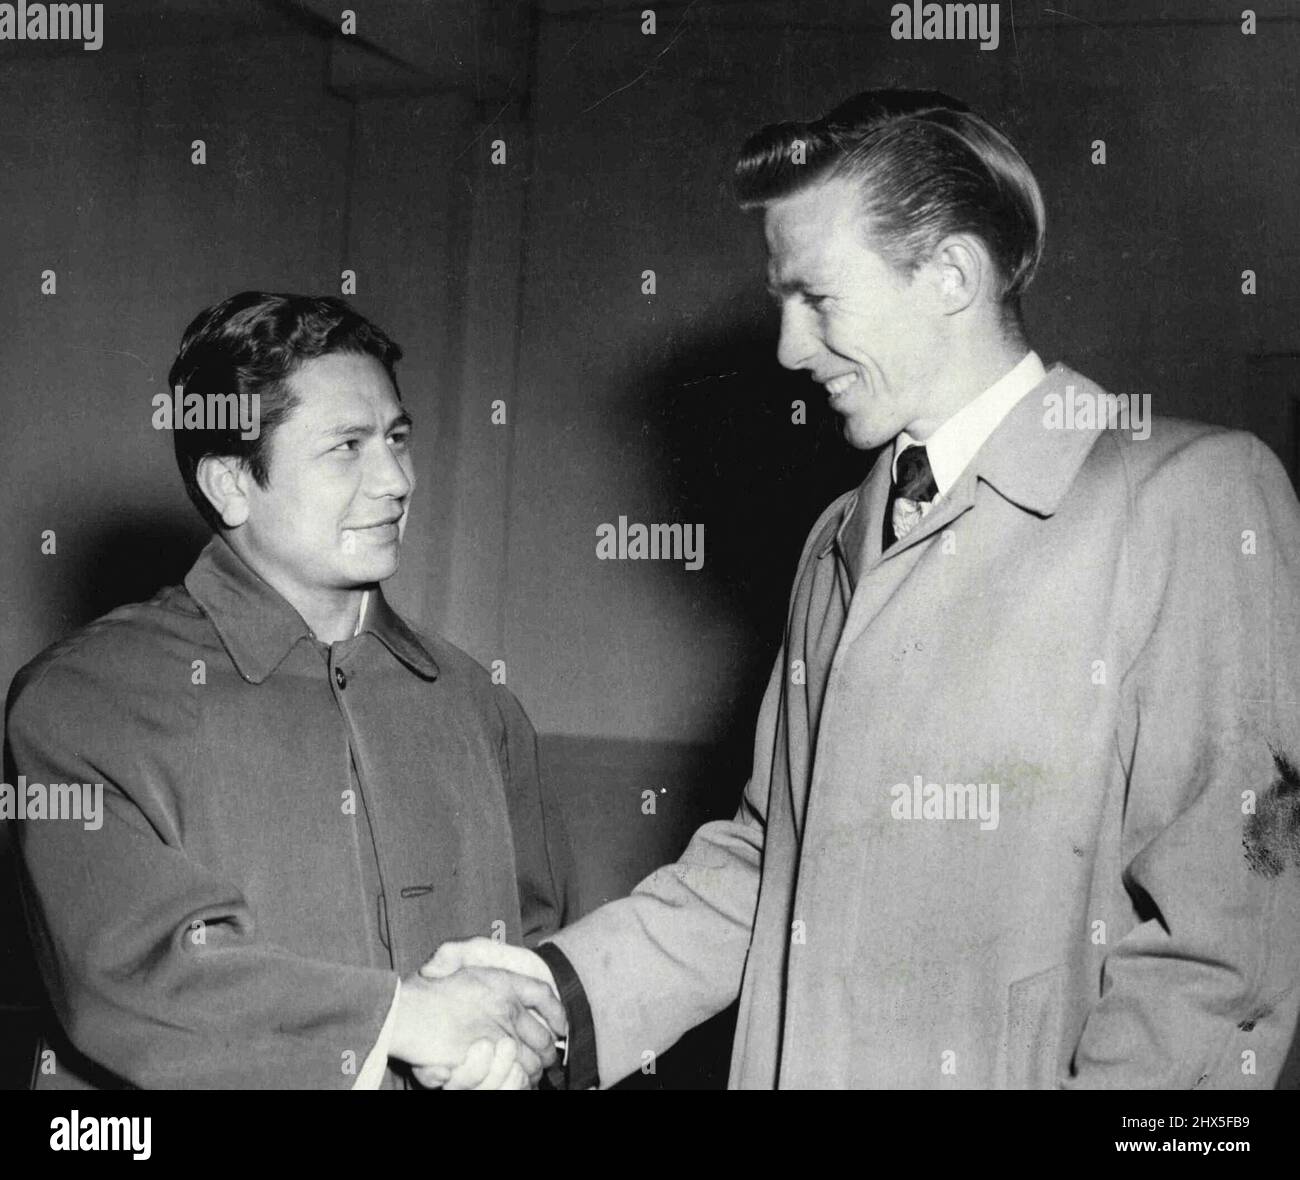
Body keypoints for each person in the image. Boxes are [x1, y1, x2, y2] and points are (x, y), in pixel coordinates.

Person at [431, 89, 1300, 1089]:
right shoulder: (837, 538)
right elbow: (766, 863)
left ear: (950, 274)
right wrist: (551, 995)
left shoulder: (1186, 499)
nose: (788, 348)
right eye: (780, 301)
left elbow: (1227, 956)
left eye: (818, 297)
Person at [5, 292, 569, 1090]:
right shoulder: (83, 702)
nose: (397, 479)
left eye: (398, 437)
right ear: (233, 484)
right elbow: (135, 970)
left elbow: (538, 945)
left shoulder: (478, 702)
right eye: (347, 446)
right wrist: (404, 1020)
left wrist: (525, 1040)